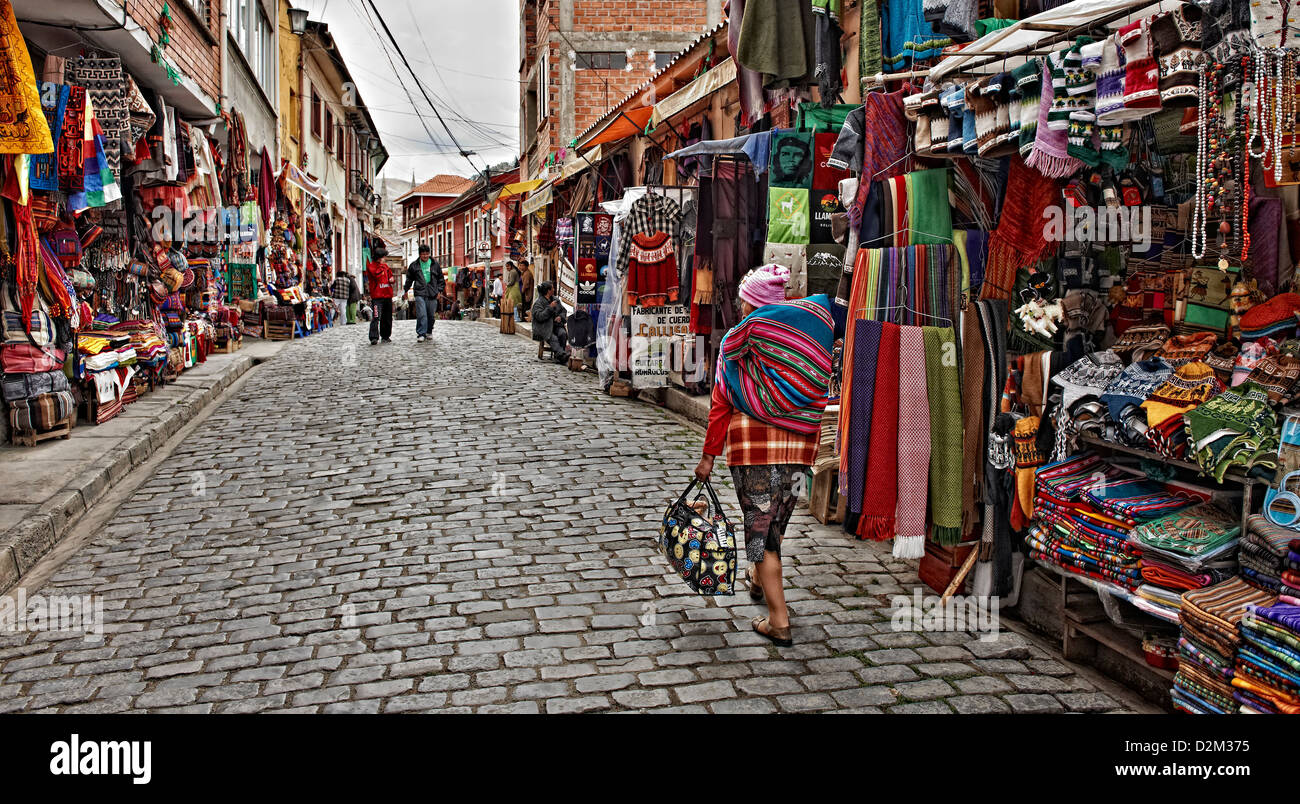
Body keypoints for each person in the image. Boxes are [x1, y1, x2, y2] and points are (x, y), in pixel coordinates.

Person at [693, 264, 833, 648]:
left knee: (760, 535)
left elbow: (721, 405)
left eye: (743, 303)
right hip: (799, 453)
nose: (740, 309)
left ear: (752, 306)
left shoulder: (738, 350)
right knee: (775, 523)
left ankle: (778, 620)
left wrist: (708, 457)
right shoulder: (802, 347)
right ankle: (758, 581)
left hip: (754, 453)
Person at [404, 244, 445, 343]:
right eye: (423, 254)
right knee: (422, 314)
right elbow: (409, 279)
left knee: (431, 315)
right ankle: (421, 333)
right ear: (419, 255)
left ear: (429, 254)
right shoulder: (414, 265)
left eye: (427, 254)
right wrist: (406, 290)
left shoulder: (435, 264)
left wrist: (439, 290)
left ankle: (429, 331)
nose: (425, 256)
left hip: (433, 293)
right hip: (419, 292)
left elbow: (441, 279)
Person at [530, 281, 568, 364]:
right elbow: (540, 317)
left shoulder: (555, 300)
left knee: (562, 334)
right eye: (552, 288)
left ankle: (560, 355)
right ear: (548, 291)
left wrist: (560, 317)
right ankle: (562, 355)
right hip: (544, 327)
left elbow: (563, 311)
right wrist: (550, 307)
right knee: (553, 338)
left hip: (556, 326)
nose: (554, 289)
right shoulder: (538, 303)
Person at [365, 245, 394, 345]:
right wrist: (381, 266)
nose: (385, 259)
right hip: (377, 296)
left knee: (387, 317)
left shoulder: (386, 266)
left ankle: (385, 336)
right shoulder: (371, 266)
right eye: (383, 257)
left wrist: (391, 279)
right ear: (379, 257)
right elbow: (376, 275)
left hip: (387, 295)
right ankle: (374, 337)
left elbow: (391, 275)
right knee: (376, 316)